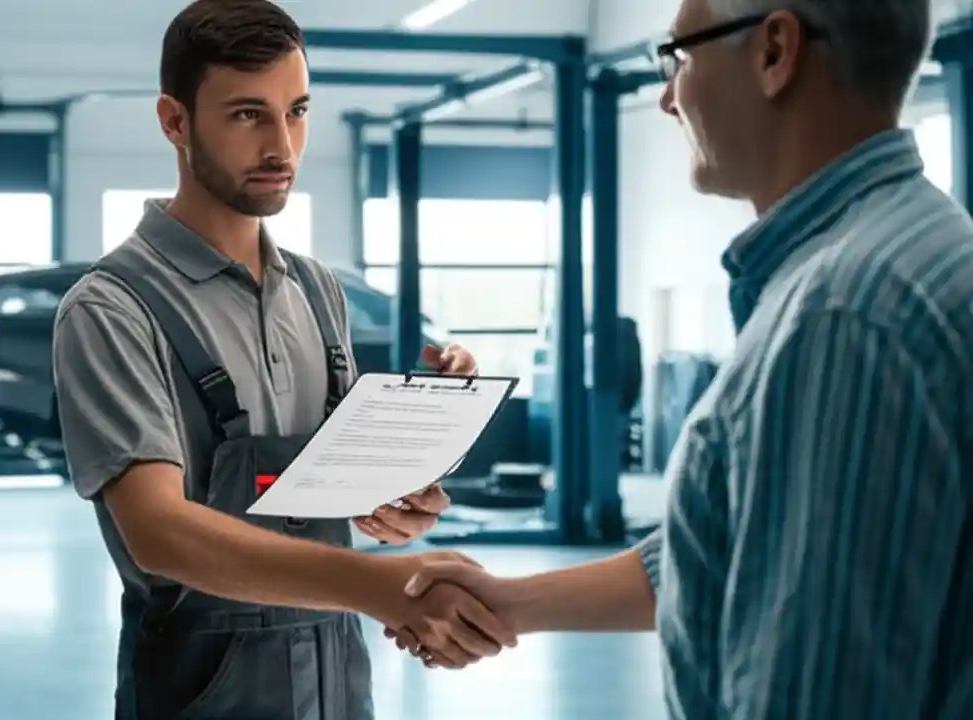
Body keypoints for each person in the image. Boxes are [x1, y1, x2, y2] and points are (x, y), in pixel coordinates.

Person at [395, 0, 973, 718]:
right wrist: (513, 602)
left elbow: (812, 695)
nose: (668, 97)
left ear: (775, 52)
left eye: (681, 57)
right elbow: (739, 539)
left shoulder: (841, 316)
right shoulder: (915, 247)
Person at [51, 2, 514, 718]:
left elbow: (322, 494)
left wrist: (400, 485)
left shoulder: (316, 290)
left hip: (337, 676)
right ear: (174, 121)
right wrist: (380, 587)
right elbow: (159, 533)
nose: (282, 146)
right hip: (202, 691)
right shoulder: (111, 308)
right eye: (247, 115)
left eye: (296, 111)